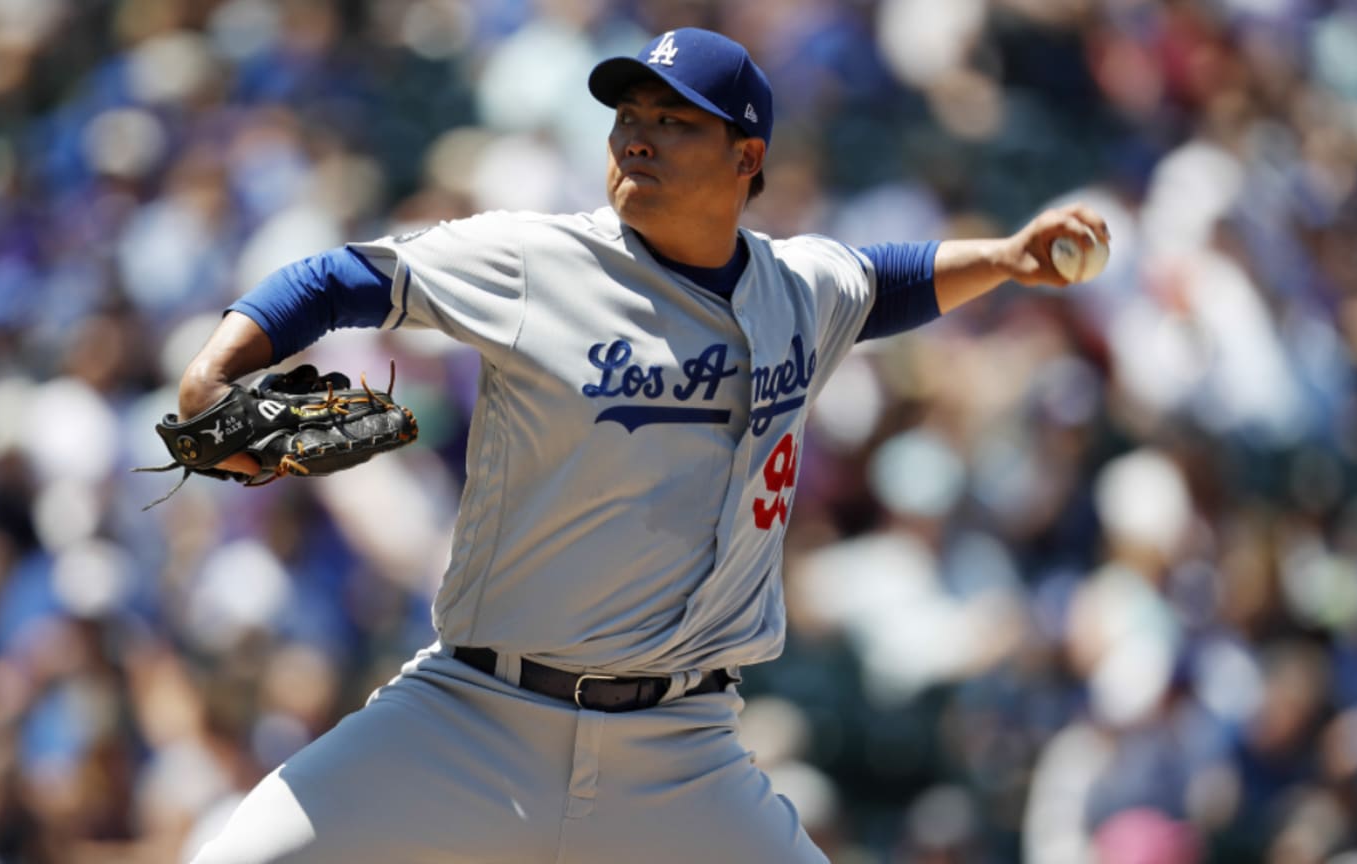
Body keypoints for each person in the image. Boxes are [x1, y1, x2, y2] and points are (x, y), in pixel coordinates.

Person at [178, 27, 1109, 864]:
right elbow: (338, 276)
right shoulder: (536, 260)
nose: (636, 136)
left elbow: (884, 282)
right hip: (474, 719)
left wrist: (1008, 256)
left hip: (682, 754)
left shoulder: (800, 286)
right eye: (628, 114)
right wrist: (221, 361)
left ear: (748, 156)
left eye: (674, 120)